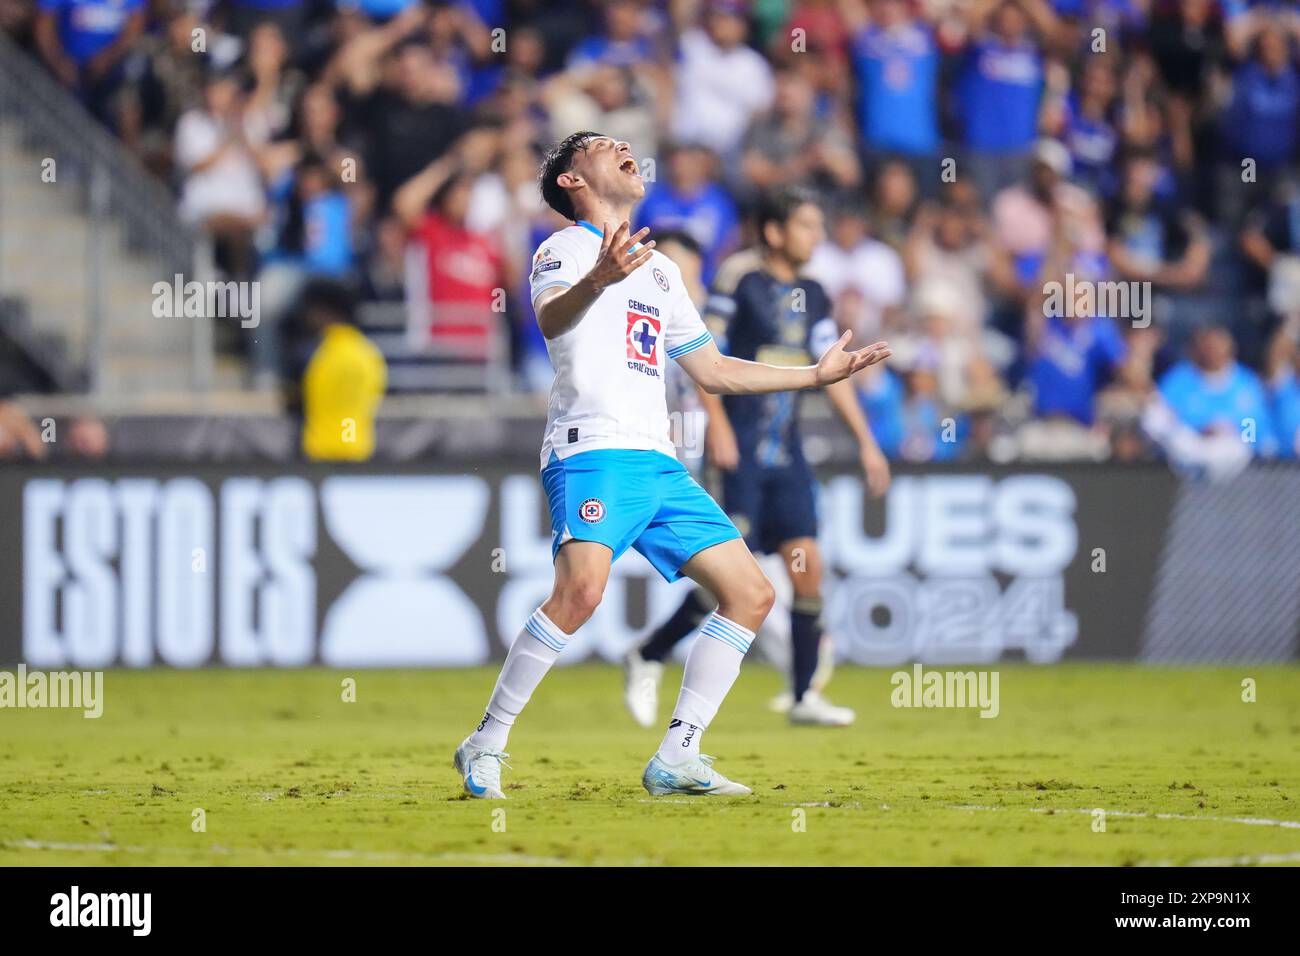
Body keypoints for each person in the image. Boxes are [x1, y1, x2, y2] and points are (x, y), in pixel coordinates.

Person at [451, 132, 890, 799]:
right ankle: (486, 742)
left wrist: (813, 376)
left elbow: (712, 370)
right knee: (582, 594)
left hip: (658, 458)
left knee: (751, 593)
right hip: (593, 446)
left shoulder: (660, 271)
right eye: (601, 145)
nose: (623, 146)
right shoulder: (562, 249)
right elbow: (550, 319)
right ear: (572, 180)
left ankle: (678, 755)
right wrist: (598, 277)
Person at [622, 187, 893, 730]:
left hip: (786, 454)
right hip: (738, 452)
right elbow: (701, 354)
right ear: (774, 232)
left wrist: (866, 440)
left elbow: (828, 371)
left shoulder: (814, 291)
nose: (816, 237)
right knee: (728, 578)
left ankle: (802, 696)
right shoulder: (738, 280)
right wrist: (717, 424)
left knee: (808, 569)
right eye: (806, 225)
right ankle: (650, 652)